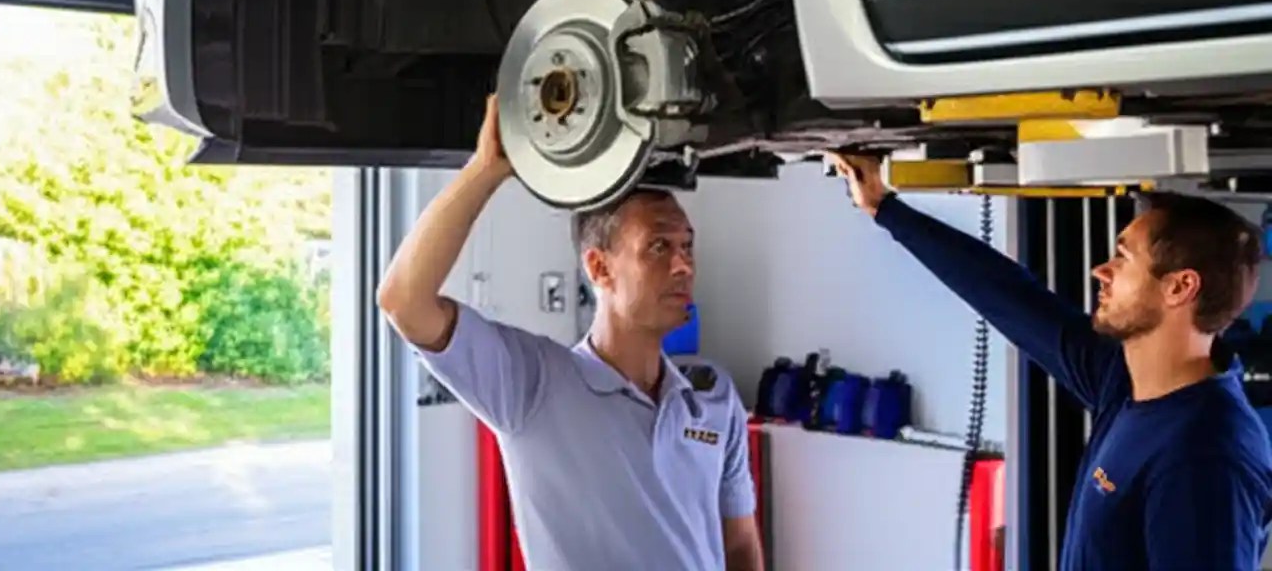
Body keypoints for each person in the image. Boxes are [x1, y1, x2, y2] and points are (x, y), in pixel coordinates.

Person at [829, 152, 1272, 571]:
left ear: (1180, 287)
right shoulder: (1125, 379)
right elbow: (1007, 295)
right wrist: (886, 208)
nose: (1102, 270)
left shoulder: (1207, 456)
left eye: (1125, 258)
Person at [377, 94, 764, 571]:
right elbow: (403, 301)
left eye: (687, 245)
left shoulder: (713, 396)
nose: (683, 264)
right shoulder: (533, 387)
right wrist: (486, 170)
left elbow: (741, 546)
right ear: (599, 267)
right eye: (658, 247)